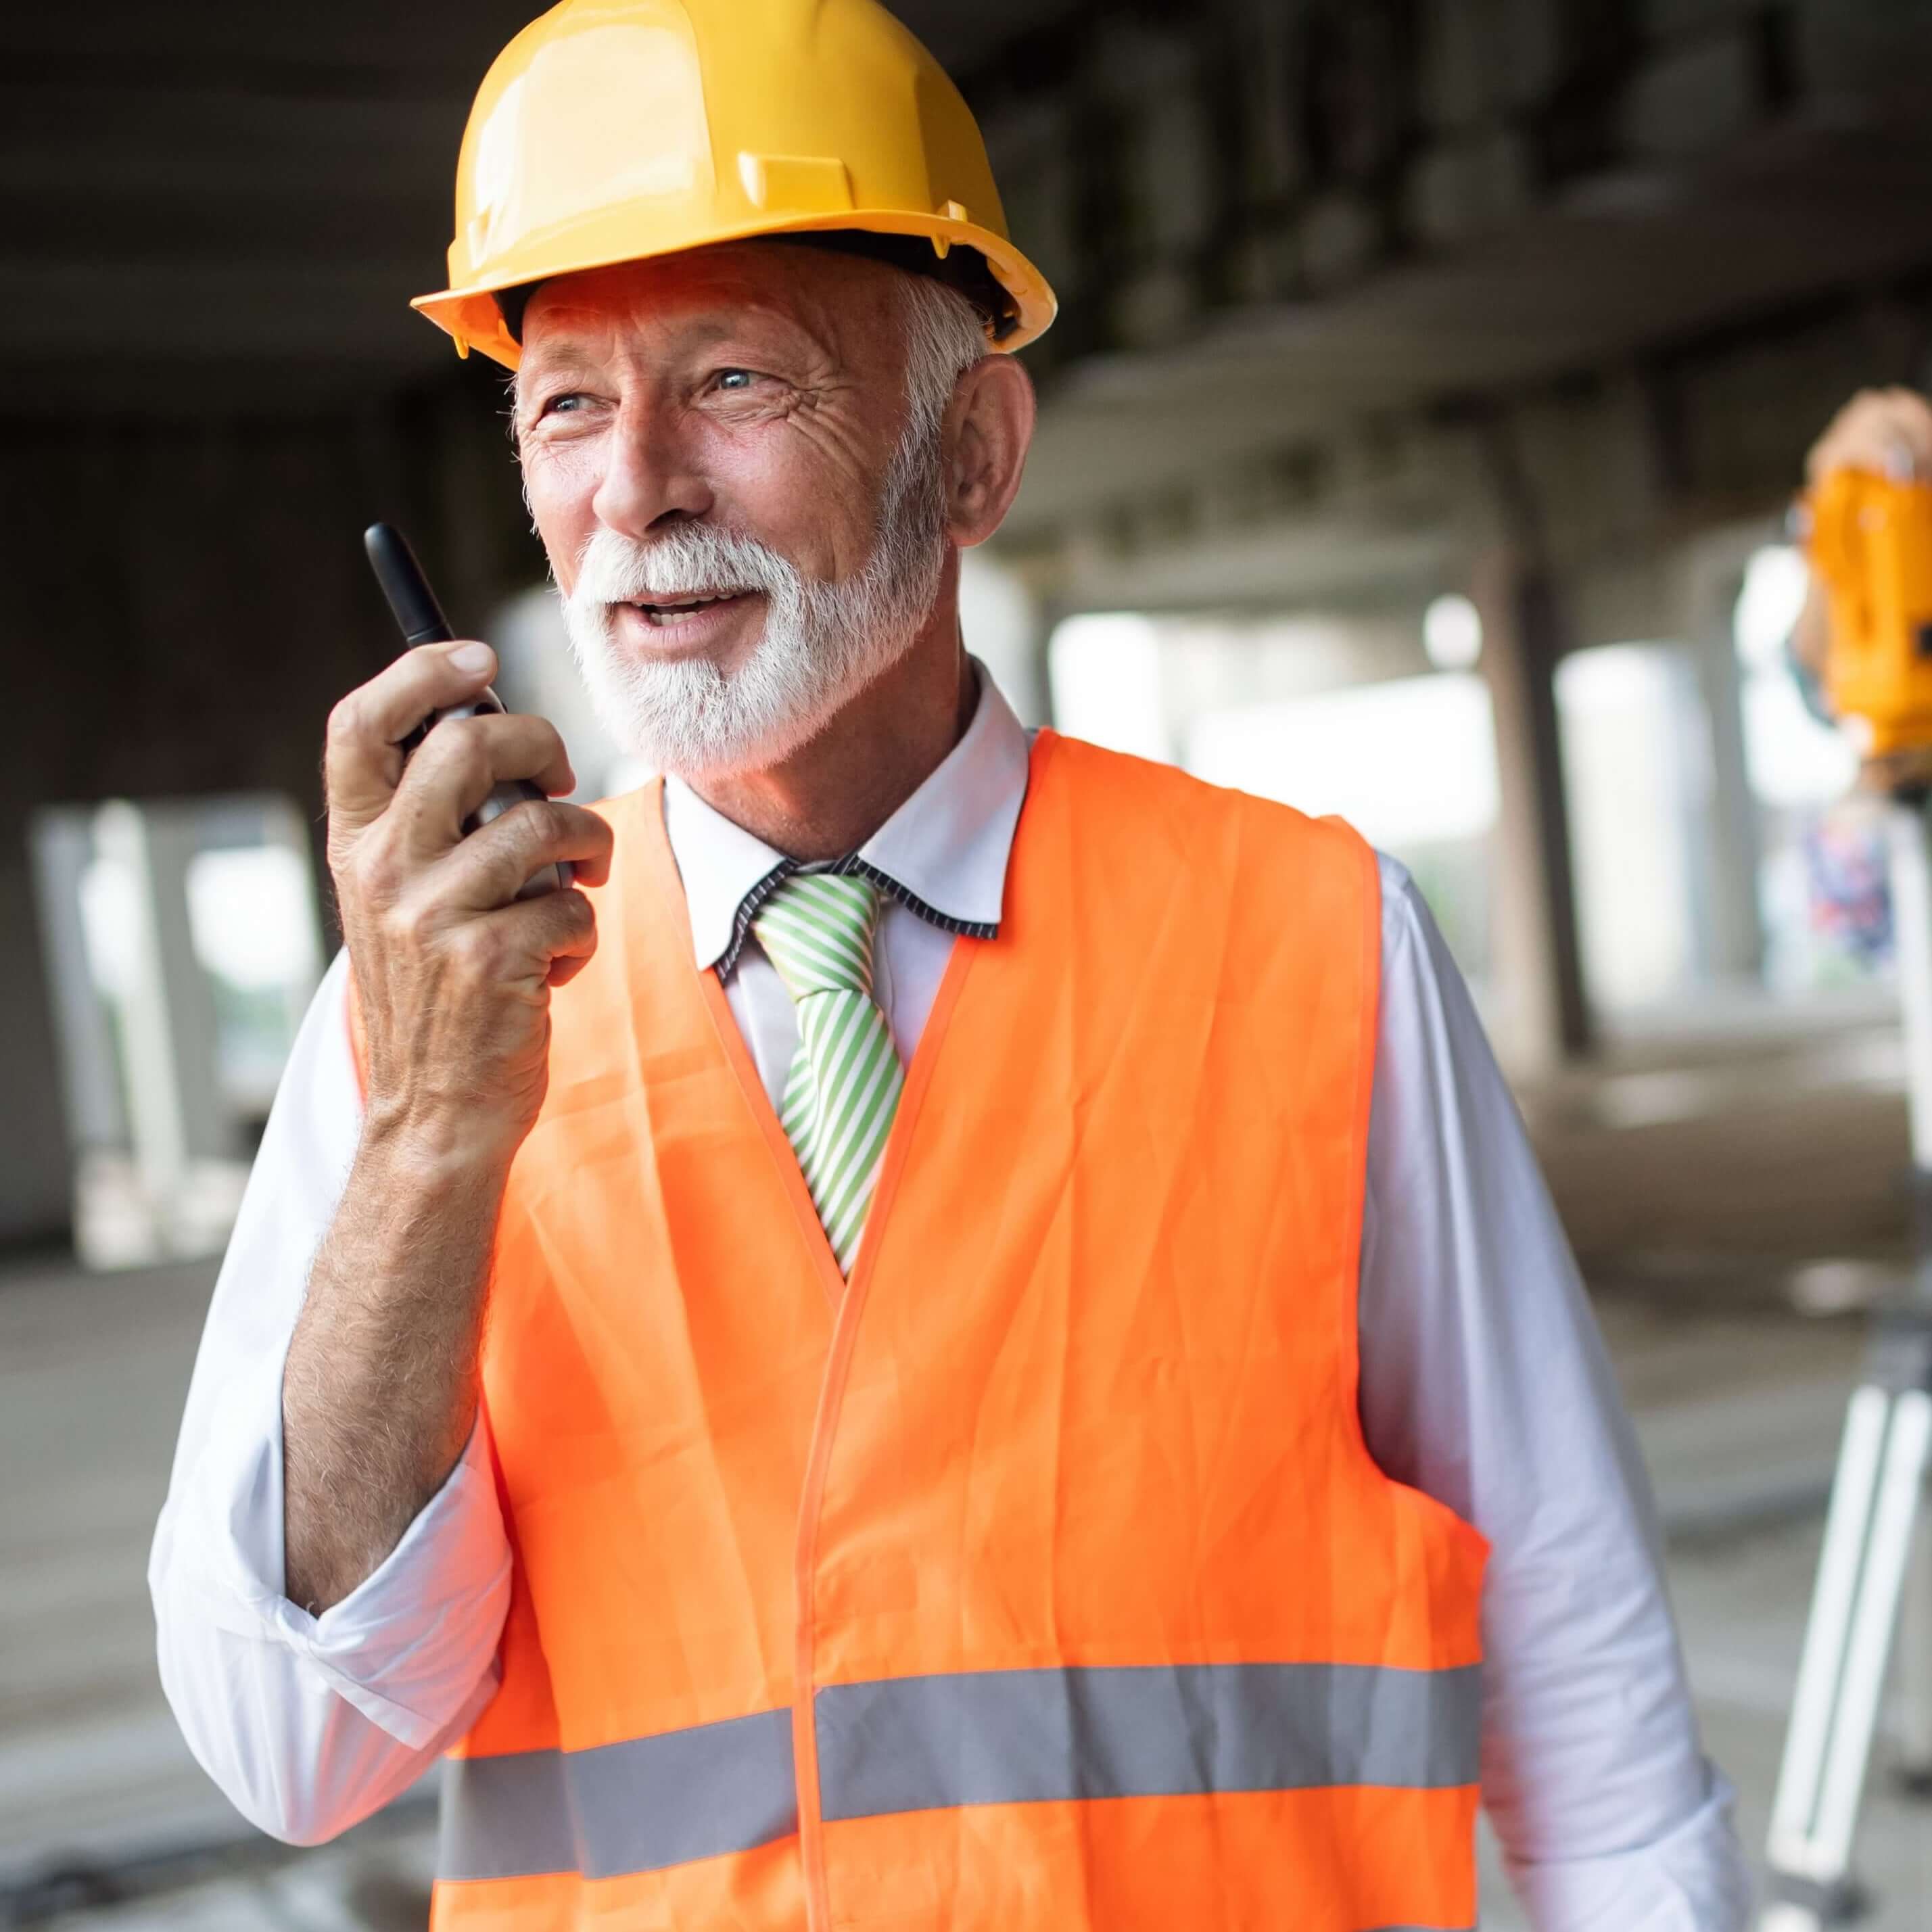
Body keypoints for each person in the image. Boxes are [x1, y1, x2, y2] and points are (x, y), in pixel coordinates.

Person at [150, 2, 1751, 1926]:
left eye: (733, 378)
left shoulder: (1308, 939)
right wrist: (422, 1143)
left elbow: (1579, 1666)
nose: (635, 486)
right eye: (566, 400)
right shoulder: (419, 1017)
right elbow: (291, 1748)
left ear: (971, 447)